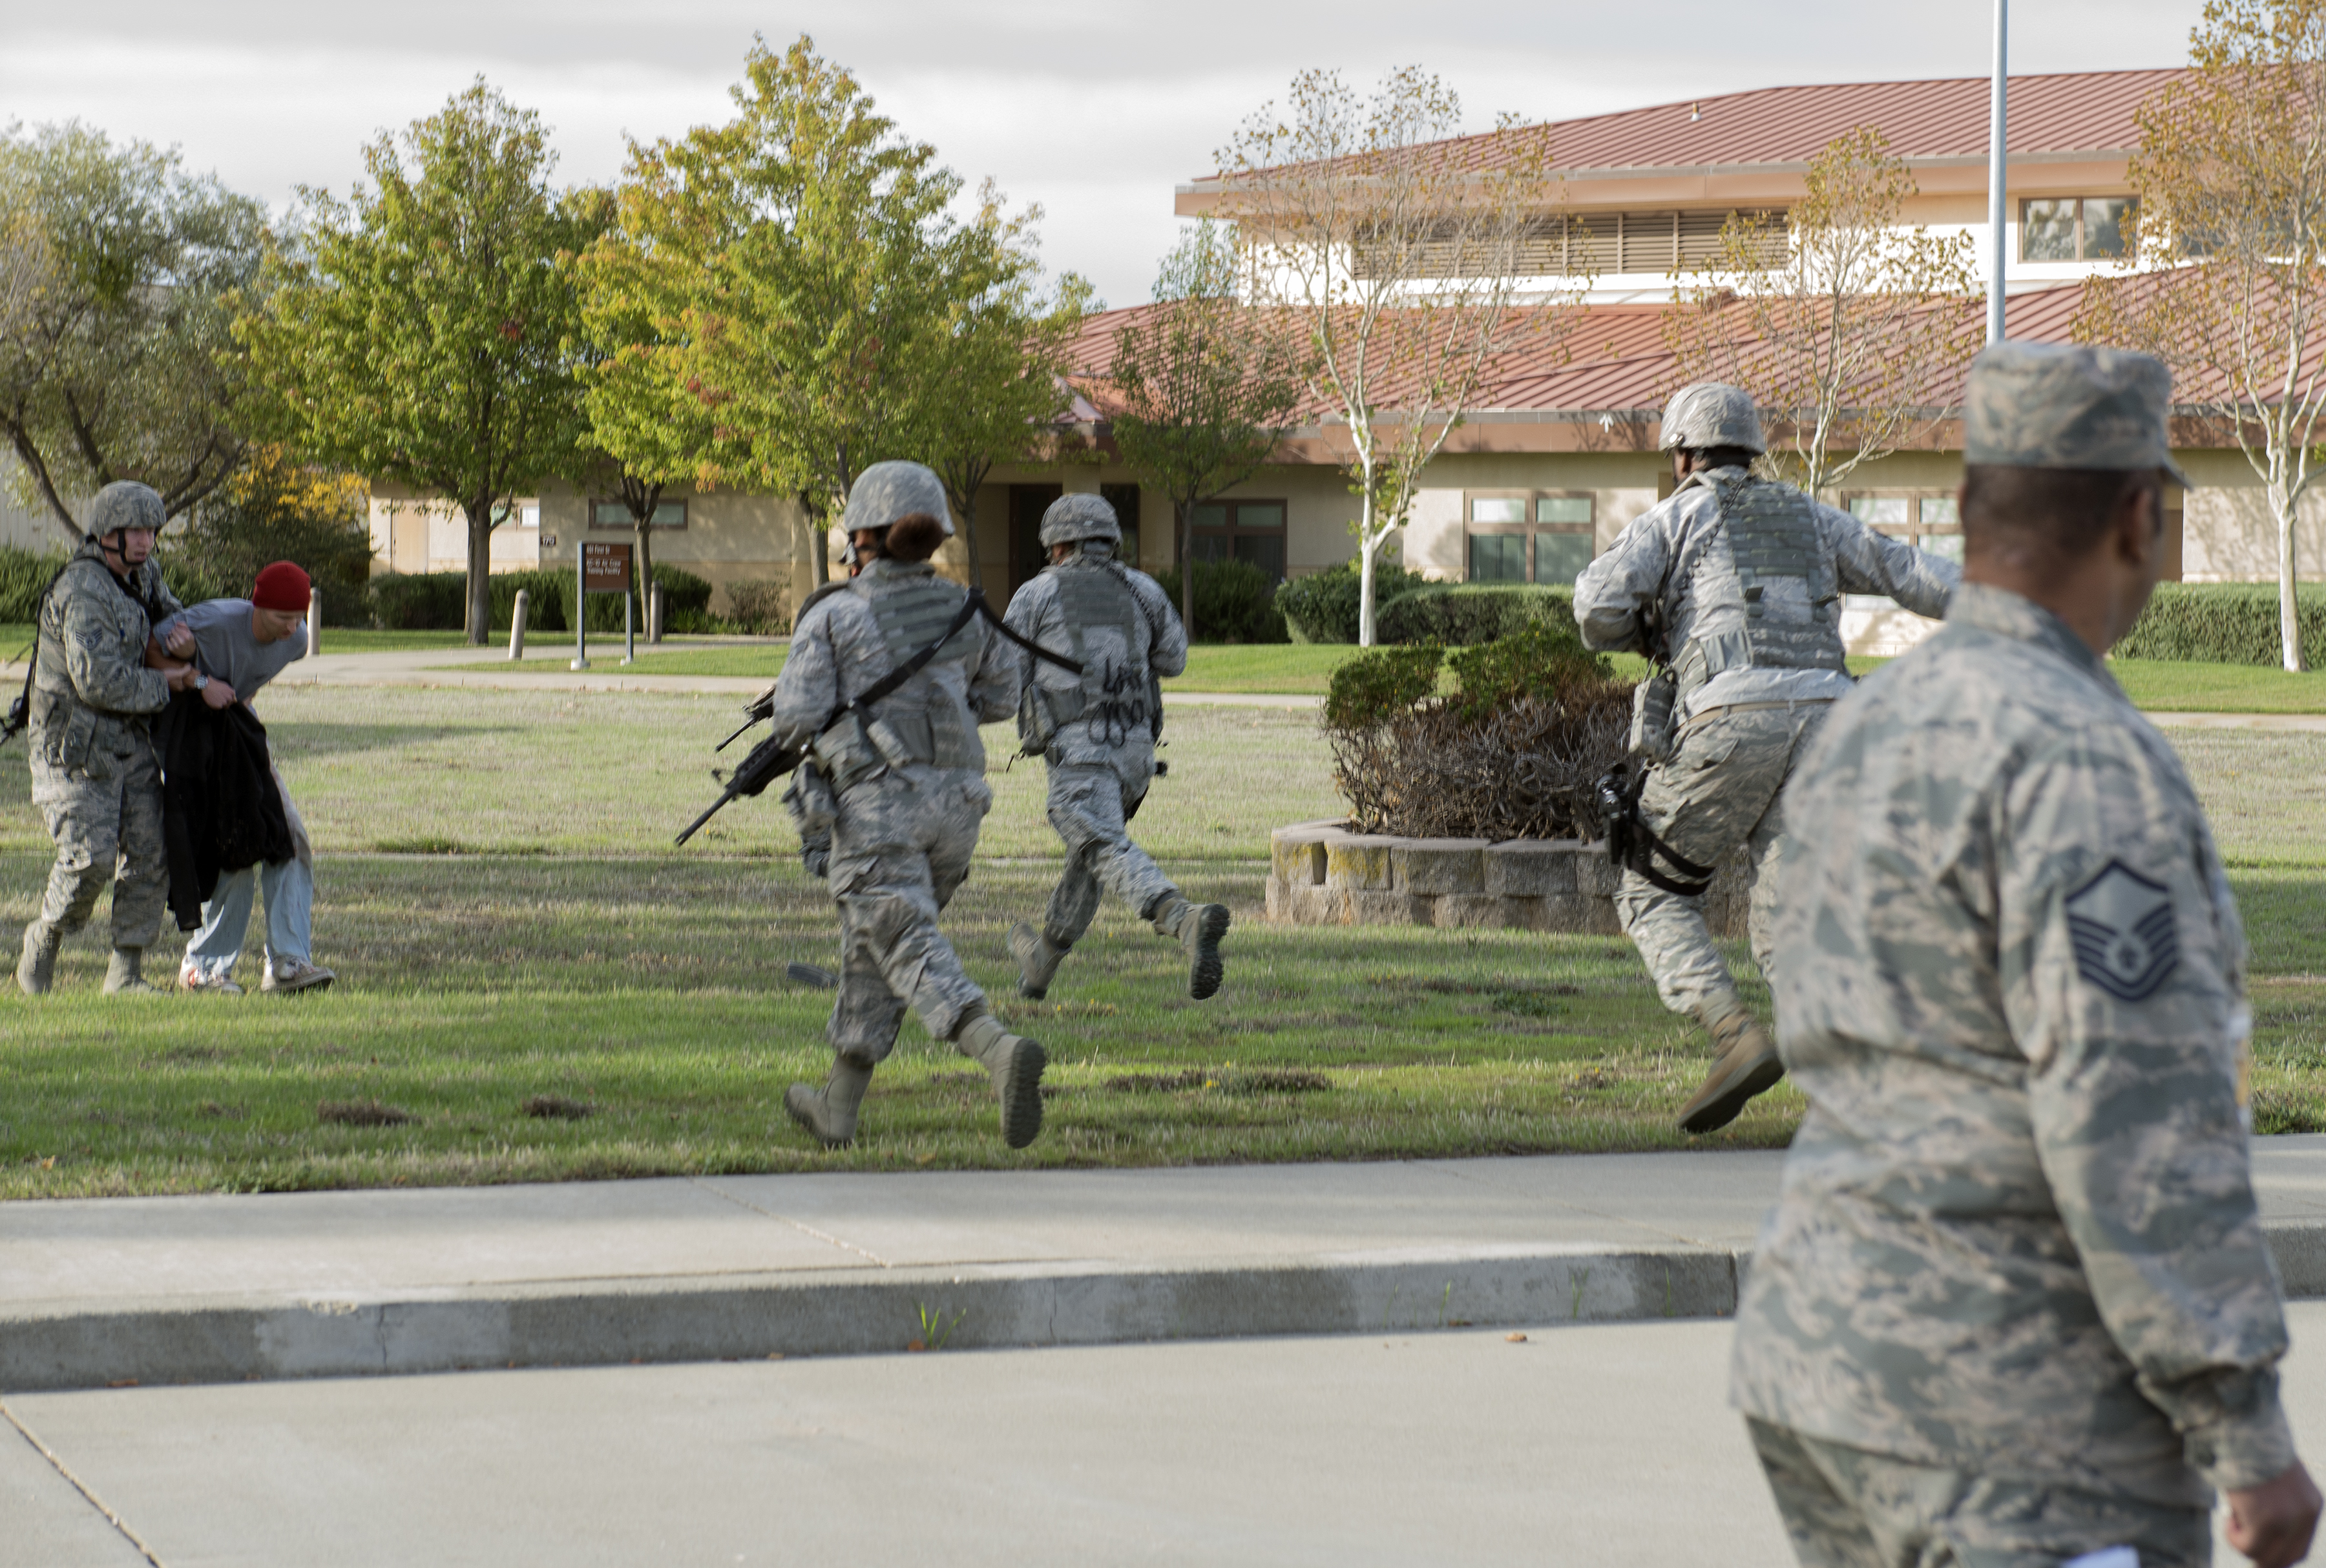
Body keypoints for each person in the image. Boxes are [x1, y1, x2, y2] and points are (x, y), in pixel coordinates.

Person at [1732, 341, 2321, 1568]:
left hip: (1818, 1370)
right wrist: (2242, 1428)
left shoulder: (1867, 724)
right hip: (2023, 1429)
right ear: (2139, 518)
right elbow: (2134, 1113)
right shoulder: (2087, 760)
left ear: (1967, 508)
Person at [1571, 383, 1958, 1133]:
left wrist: (1643, 631)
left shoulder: (1677, 515)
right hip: (1832, 728)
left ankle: (1732, 1035)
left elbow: (1596, 606)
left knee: (1651, 886)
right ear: (1752, 451)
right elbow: (1908, 571)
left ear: (1684, 455)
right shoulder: (1811, 516)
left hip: (1727, 719)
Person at [770, 461, 1045, 1149]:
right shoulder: (967, 609)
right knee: (884, 941)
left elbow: (795, 719)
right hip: (958, 807)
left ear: (862, 536)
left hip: (878, 807)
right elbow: (1001, 698)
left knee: (899, 937)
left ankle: (995, 1048)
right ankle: (838, 1106)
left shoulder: (836, 611)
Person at [1001, 494, 1227, 1003]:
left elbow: (1005, 679)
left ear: (1058, 544)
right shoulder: (1143, 589)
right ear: (1110, 541)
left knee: (1100, 844)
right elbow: (1174, 659)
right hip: (1136, 756)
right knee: (1092, 853)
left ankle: (1180, 916)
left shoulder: (1037, 593)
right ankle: (1041, 960)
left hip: (1080, 755)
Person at [14, 481, 220, 996]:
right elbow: (97, 681)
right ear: (108, 532)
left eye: (152, 531)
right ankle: (45, 937)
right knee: (90, 860)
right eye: (136, 531)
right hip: (73, 750)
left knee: (152, 854)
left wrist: (183, 643)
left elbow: (171, 618)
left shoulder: (143, 575)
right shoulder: (83, 590)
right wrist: (170, 681)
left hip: (130, 741)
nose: (146, 541)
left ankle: (126, 973)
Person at [156, 561, 335, 995]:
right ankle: (205, 968)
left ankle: (288, 963)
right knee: (229, 849)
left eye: (297, 617)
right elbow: (148, 652)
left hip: (237, 736)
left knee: (288, 836)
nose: (290, 627)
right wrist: (200, 678)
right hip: (188, 741)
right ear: (257, 605)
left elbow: (249, 683)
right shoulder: (214, 620)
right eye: (281, 617)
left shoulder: (296, 642)